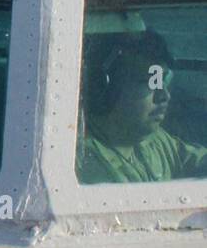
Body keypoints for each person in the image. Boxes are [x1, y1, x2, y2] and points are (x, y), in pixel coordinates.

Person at [78, 30, 207, 184]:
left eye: (162, 80)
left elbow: (194, 159)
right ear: (106, 89)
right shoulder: (87, 163)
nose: (164, 95)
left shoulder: (151, 139)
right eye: (149, 82)